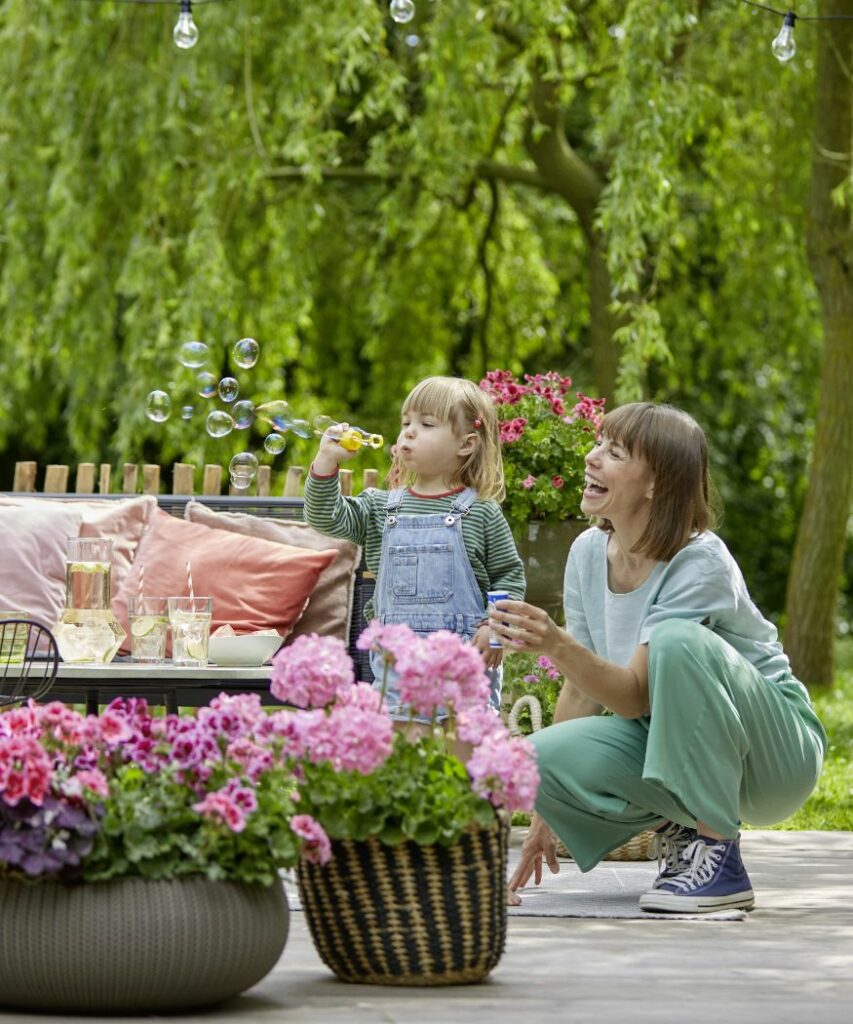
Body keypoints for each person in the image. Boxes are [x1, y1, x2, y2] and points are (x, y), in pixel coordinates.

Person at [492, 402, 826, 914]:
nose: (591, 457)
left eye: (614, 452)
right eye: (598, 443)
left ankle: (719, 857)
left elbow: (632, 696)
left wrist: (555, 642)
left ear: (655, 484)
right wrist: (545, 817)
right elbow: (582, 687)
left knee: (675, 640)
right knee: (530, 761)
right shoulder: (586, 553)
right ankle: (683, 831)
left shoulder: (700, 560)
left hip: (775, 754)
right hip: (675, 744)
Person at [304, 375, 525, 721]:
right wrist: (326, 462)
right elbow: (323, 517)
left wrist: (494, 628)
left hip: (463, 678)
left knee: (460, 765)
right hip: (396, 679)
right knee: (401, 761)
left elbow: (508, 576)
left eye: (426, 424)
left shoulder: (481, 512)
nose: (409, 431)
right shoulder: (380, 509)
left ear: (466, 445)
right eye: (406, 423)